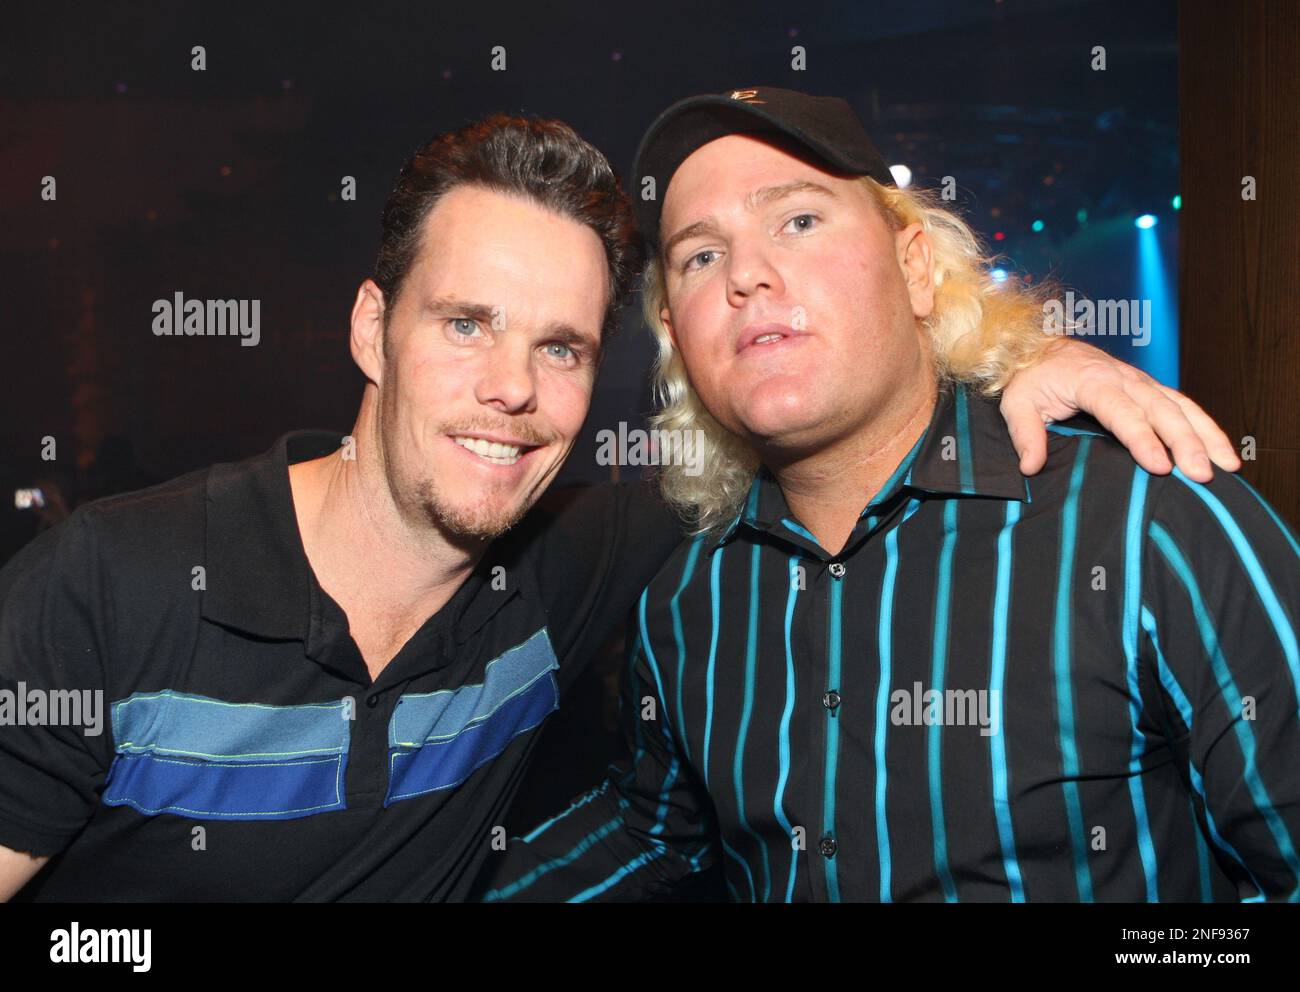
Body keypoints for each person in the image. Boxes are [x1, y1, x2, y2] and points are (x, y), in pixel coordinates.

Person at [0, 108, 1236, 901]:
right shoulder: (113, 581)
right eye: (465, 323)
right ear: (373, 329)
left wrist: (1022, 356)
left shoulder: (586, 558)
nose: (510, 391)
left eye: (562, 347)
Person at [478, 88, 1297, 903]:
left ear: (914, 268)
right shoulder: (687, 592)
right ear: (678, 336)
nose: (748, 277)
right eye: (701, 255)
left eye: (798, 220)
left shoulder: (1147, 520)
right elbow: (656, 837)